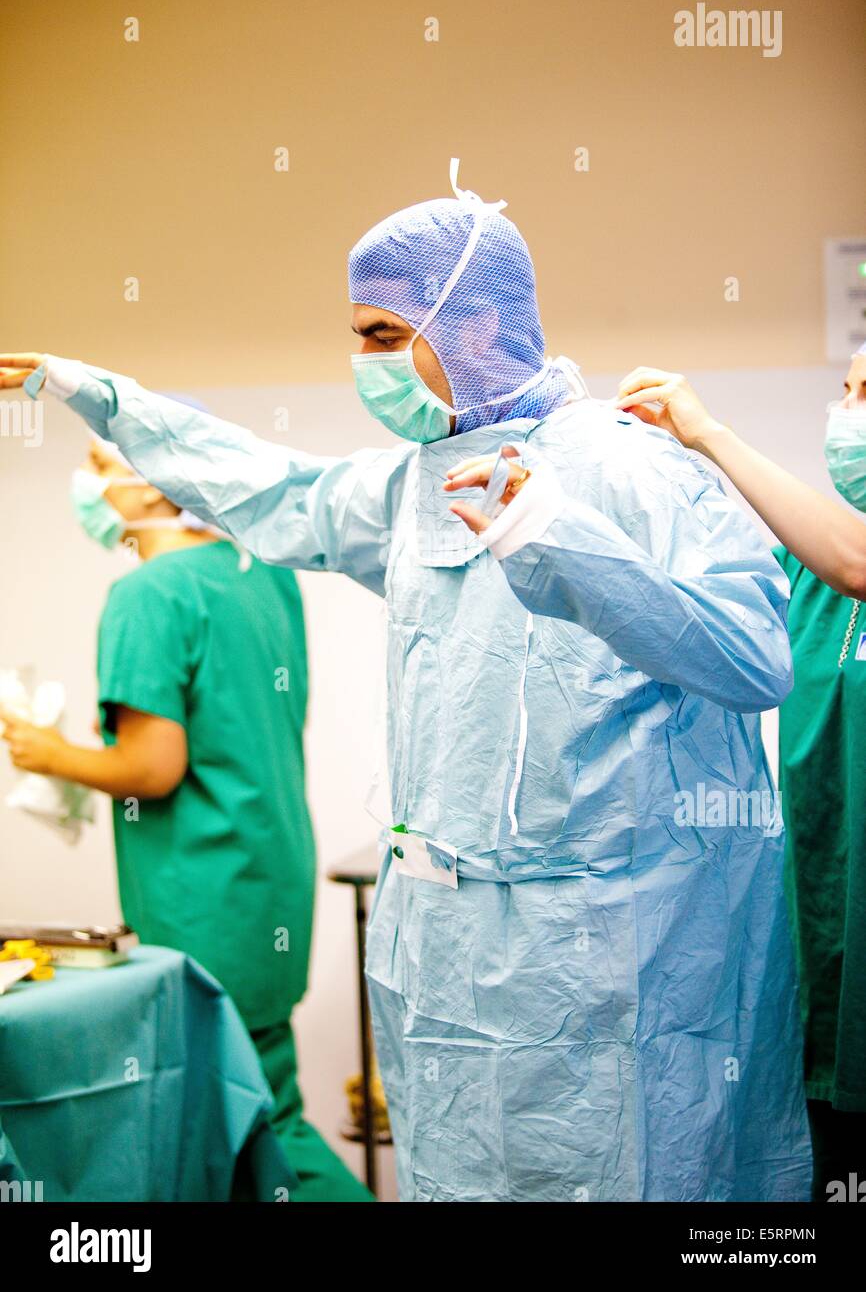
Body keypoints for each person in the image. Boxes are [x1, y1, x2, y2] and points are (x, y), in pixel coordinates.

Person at [0, 163, 811, 1202]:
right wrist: (101, 396)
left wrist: (558, 541)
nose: (362, 363)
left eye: (383, 335)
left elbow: (752, 655)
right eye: (357, 336)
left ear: (470, 323)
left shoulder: (629, 469)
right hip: (457, 964)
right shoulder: (411, 487)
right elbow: (267, 485)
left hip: (620, 960)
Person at [1, 429, 373, 1204]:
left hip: (204, 900)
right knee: (254, 1107)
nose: (87, 483)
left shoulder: (148, 592)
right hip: (268, 885)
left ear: (154, 488)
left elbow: (152, 767)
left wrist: (46, 754)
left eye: (100, 464)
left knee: (258, 1125)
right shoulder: (263, 577)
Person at [615, 352, 866, 1202]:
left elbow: (857, 559)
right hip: (826, 950)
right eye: (847, 391)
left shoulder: (845, 561)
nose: (849, 413)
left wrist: (711, 433)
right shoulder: (810, 576)